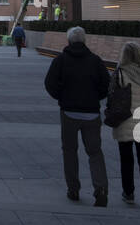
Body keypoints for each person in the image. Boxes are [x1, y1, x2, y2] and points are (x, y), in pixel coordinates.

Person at [43, 26, 110, 205]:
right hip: (91, 113)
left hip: (69, 113)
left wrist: (62, 98)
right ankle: (101, 188)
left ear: (69, 41)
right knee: (95, 152)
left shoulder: (61, 60)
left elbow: (49, 83)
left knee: (70, 151)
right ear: (84, 41)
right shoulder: (95, 61)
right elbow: (106, 85)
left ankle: (73, 189)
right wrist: (96, 97)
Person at [109, 42, 140, 210]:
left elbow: (112, 97)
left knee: (126, 159)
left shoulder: (119, 74)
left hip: (125, 121)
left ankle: (129, 193)